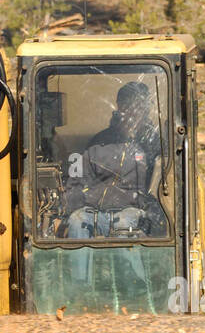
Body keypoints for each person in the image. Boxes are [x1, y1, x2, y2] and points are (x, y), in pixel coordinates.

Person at [64, 80, 166, 240]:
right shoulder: (100, 143)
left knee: (124, 226)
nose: (132, 111)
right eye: (127, 104)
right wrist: (70, 208)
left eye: (138, 105)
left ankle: (128, 265)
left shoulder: (154, 144)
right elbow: (76, 182)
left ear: (147, 109)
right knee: (77, 221)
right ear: (119, 106)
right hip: (96, 212)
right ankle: (77, 266)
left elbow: (164, 186)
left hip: (134, 213)